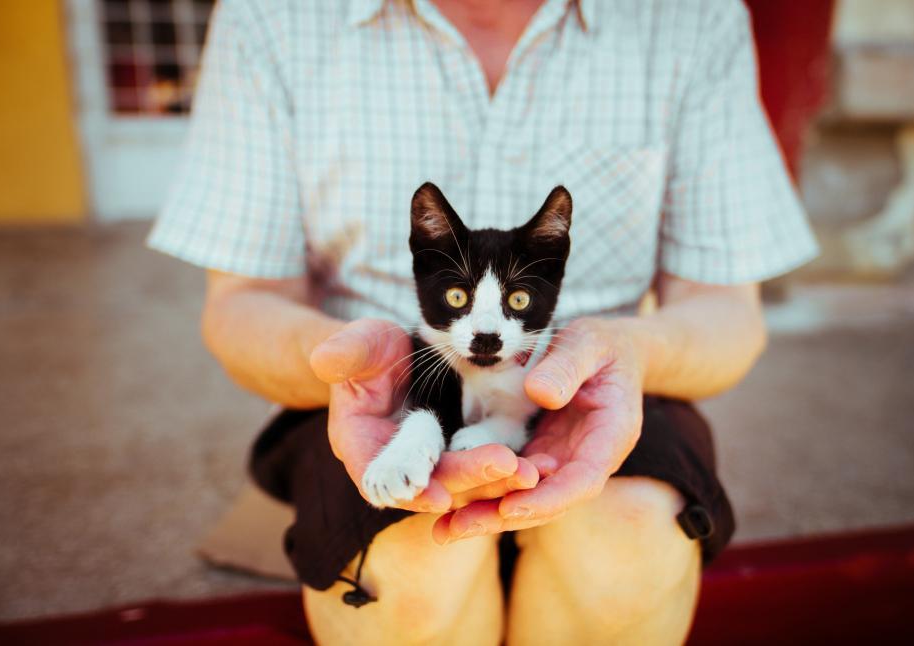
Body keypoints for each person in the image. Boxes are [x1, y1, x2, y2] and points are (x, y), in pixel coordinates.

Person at [149, 0, 817, 642]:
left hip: (595, 385)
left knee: (633, 542)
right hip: (368, 388)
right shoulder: (273, 14)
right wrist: (354, 361)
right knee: (407, 573)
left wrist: (623, 349)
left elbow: (727, 312)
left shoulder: (689, 16)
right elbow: (243, 301)